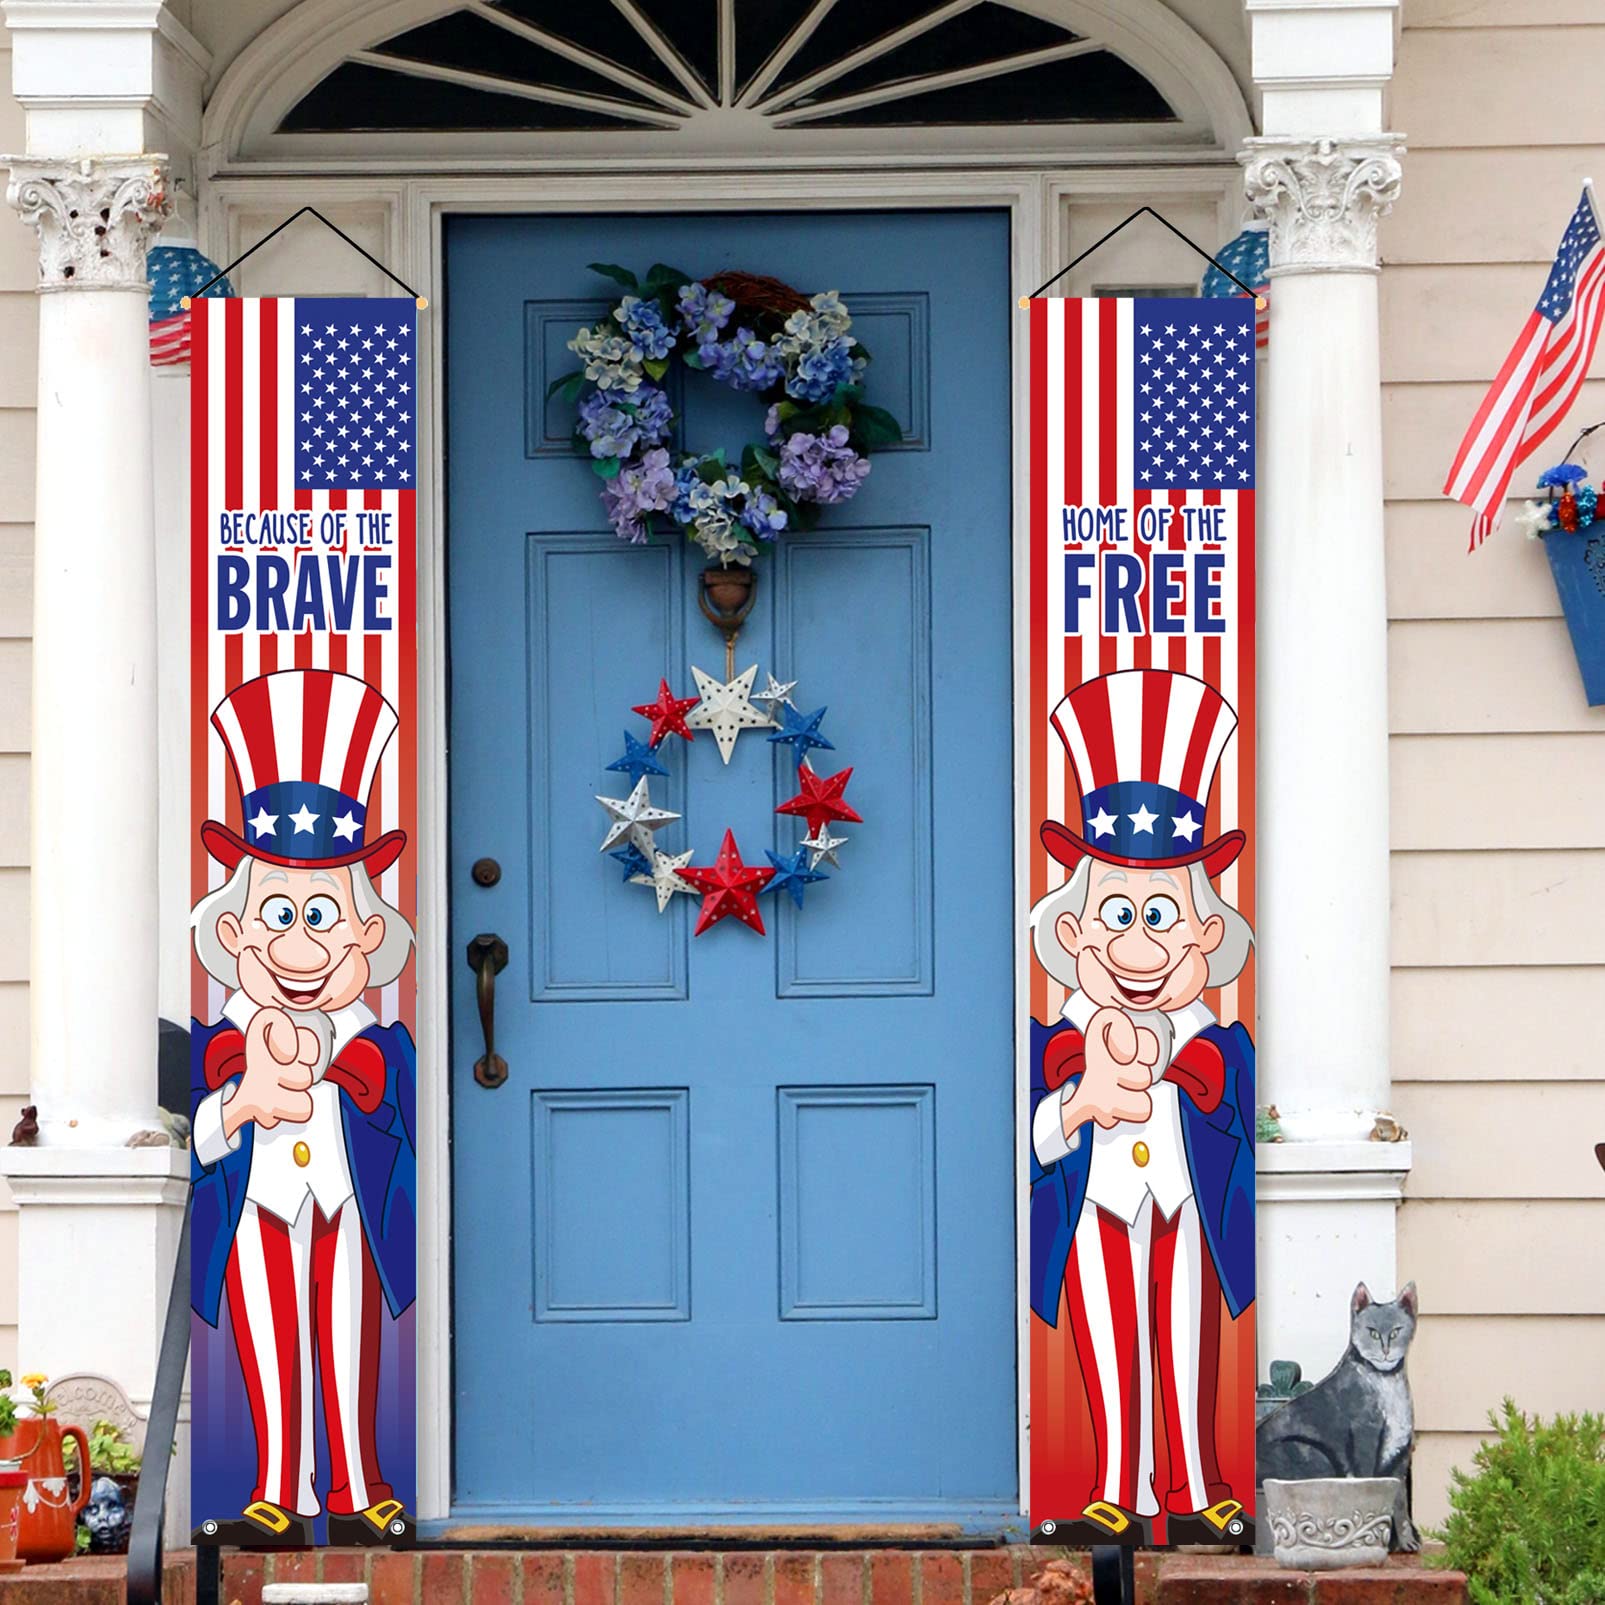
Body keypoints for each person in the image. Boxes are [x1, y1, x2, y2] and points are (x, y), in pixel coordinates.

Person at [189, 668, 415, 1547]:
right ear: (237, 930)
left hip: (343, 1207)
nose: (298, 943)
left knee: (348, 1340)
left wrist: (325, 1057)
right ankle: (277, 1489)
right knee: (267, 1342)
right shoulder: (225, 1039)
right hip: (257, 1207)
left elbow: (376, 1088)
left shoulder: (372, 1038)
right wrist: (241, 1101)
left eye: (322, 916)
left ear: (363, 933)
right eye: (277, 914)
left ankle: (358, 1488)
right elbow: (209, 1128)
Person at [1030, 668, 1255, 1546]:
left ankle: (1196, 1490)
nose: (1136, 943)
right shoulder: (1062, 1036)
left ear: (1203, 933)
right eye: (1116, 914)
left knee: (1187, 1340)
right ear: (1076, 930)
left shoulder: (1212, 1036)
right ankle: (1115, 1489)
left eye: (1160, 916)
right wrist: (1078, 1103)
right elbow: (1042, 1134)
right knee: (1106, 1340)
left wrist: (1165, 1056)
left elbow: (1218, 1086)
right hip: (1096, 1206)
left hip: (1183, 1206)